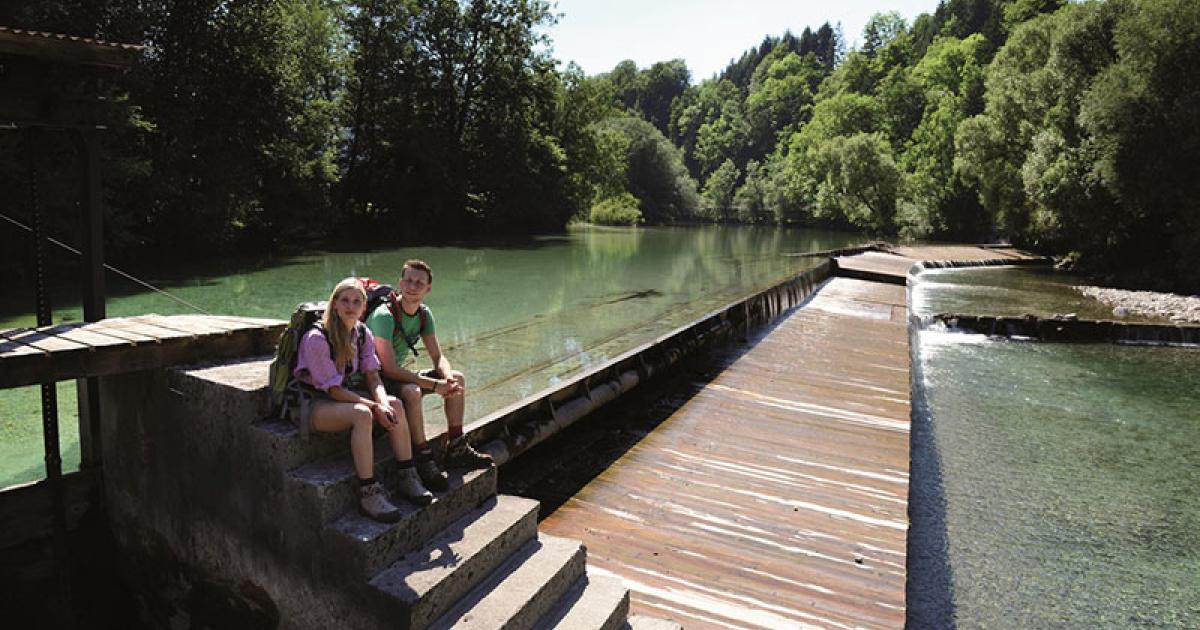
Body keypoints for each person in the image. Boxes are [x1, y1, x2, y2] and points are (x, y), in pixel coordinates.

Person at [294, 277, 432, 522]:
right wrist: (375, 406)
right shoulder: (316, 338)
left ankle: (407, 476)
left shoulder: (361, 332)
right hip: (315, 403)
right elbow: (333, 391)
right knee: (363, 414)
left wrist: (383, 402)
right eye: (344, 300)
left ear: (364, 307)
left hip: (345, 396)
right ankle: (368, 491)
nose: (350, 306)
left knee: (396, 404)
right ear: (334, 304)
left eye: (356, 301)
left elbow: (373, 376)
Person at [366, 260, 493, 492]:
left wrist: (447, 378)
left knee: (459, 378)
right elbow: (389, 369)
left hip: (399, 375)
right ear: (400, 283)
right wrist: (435, 385)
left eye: (419, 283)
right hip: (378, 381)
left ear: (428, 288)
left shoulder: (424, 315)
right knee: (412, 391)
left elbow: (438, 356)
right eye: (408, 281)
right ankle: (424, 459)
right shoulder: (384, 316)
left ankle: (456, 446)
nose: (412, 287)